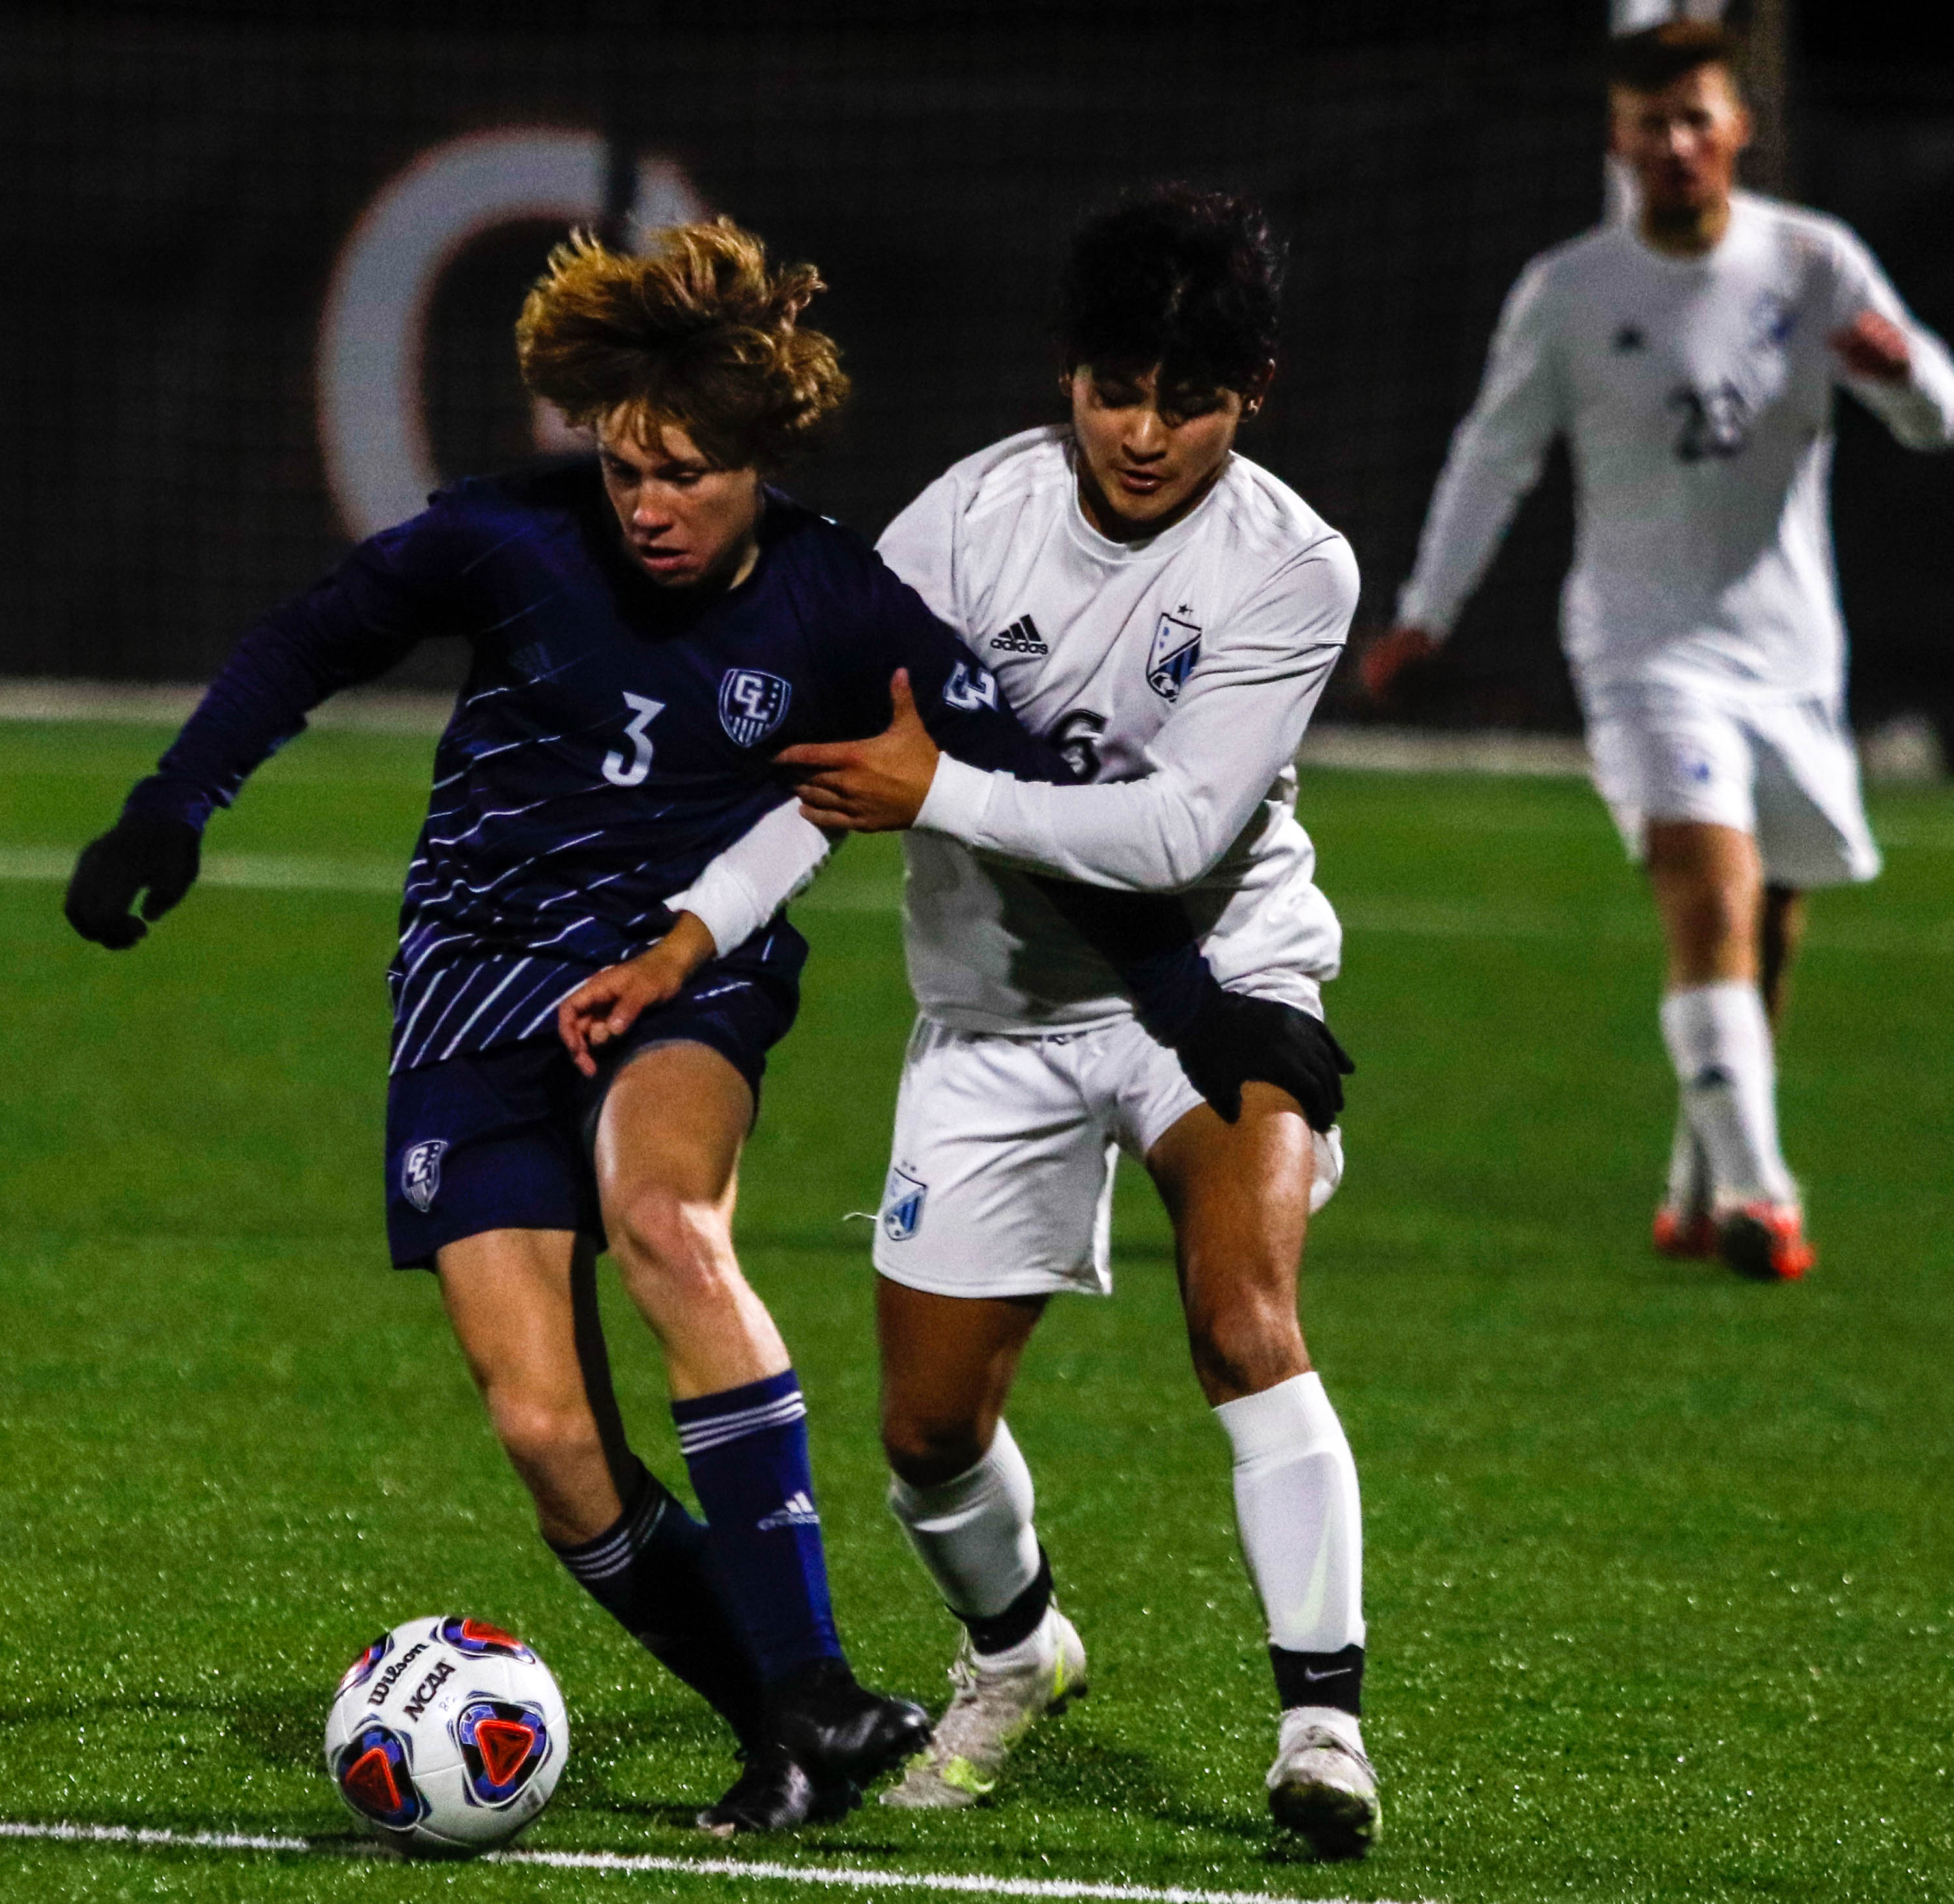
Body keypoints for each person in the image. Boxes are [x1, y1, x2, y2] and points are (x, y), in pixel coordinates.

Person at [61, 219, 1317, 1834]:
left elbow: (1039, 798)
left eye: (693, 474)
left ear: (761, 458)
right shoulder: (502, 540)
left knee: (664, 1217)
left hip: (688, 968)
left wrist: (1192, 1006)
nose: (653, 506)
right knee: (544, 1434)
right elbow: (309, 639)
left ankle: (815, 1670)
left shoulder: (843, 604)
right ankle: (792, 1710)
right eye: (629, 468)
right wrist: (176, 807)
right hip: (472, 972)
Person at [774, 187, 1378, 1860]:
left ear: (1249, 390)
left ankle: (1321, 1725)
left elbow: (1185, 834)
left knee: (1244, 1316)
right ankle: (1016, 1651)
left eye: (1186, 399)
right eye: (1116, 388)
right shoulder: (965, 522)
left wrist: (940, 786)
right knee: (925, 1432)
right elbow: (828, 725)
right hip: (994, 1015)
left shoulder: (1292, 566)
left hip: (1224, 988)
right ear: (1070, 373)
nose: (1142, 430)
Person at [1365, 20, 1954, 1280]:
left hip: (1792, 653)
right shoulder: (1571, 291)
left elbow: (1934, 416)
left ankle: (1695, 1191)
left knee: (1771, 924)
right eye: (1652, 123)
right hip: (1641, 652)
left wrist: (1902, 375)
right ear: (1618, 140)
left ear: (1738, 127)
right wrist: (1429, 606)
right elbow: (1494, 451)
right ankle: (1761, 1192)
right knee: (1710, 893)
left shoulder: (1814, 262)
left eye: (1698, 118)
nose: (1677, 144)